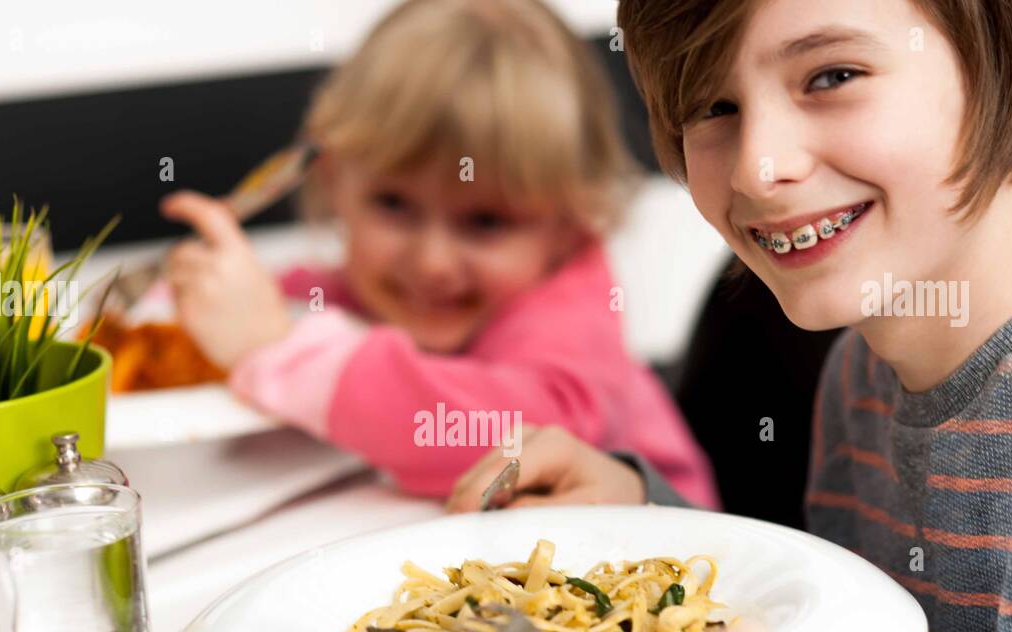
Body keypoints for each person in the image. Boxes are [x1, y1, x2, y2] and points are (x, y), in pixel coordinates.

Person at [448, 0, 1012, 632]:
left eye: (832, 76)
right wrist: (653, 521)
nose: (759, 170)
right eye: (713, 109)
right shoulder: (858, 373)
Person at [157, 0, 718, 506]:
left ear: (571, 224)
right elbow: (300, 300)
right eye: (393, 205)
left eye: (486, 222)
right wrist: (183, 303)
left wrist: (279, 350)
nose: (432, 262)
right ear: (334, 185)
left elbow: (506, 436)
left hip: (662, 571)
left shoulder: (570, 312)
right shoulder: (363, 285)